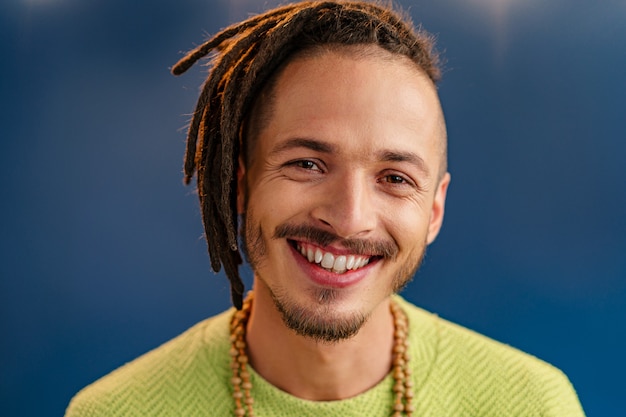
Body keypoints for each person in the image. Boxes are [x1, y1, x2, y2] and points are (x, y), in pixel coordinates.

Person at [65, 1, 585, 416]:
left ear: (434, 211)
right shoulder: (116, 410)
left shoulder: (532, 404)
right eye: (308, 164)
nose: (349, 216)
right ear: (240, 185)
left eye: (395, 178)